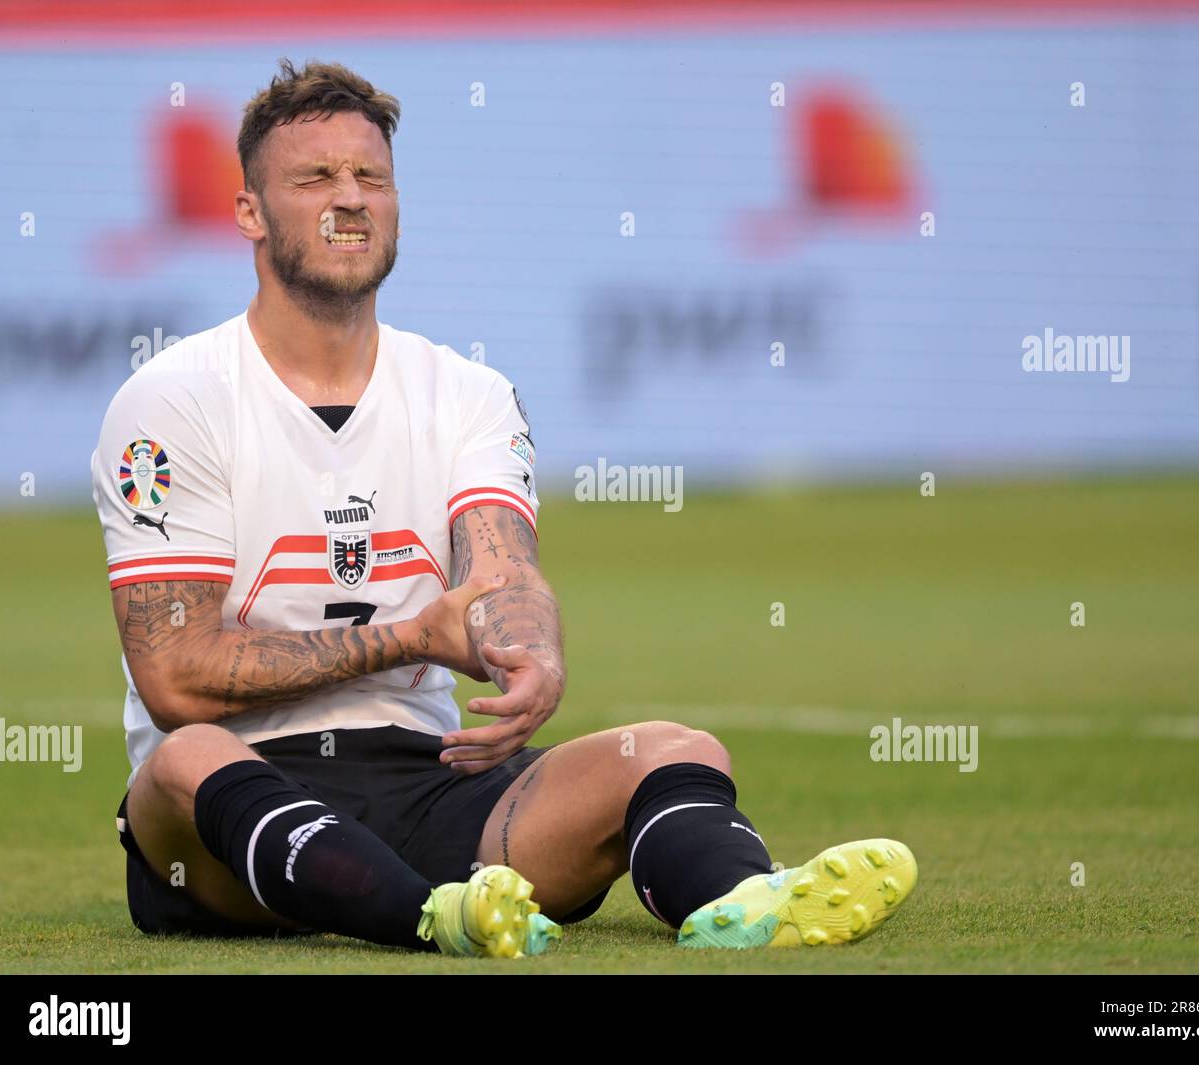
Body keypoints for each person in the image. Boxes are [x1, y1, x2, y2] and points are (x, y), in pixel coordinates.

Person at [91, 58, 916, 958]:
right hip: (226, 810)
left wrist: (529, 650)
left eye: (371, 177)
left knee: (678, 748)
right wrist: (412, 635)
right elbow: (175, 679)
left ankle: (749, 903)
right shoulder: (173, 400)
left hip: (433, 778)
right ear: (249, 211)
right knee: (184, 760)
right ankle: (426, 916)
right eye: (314, 178)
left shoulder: (468, 391)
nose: (350, 199)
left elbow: (505, 573)